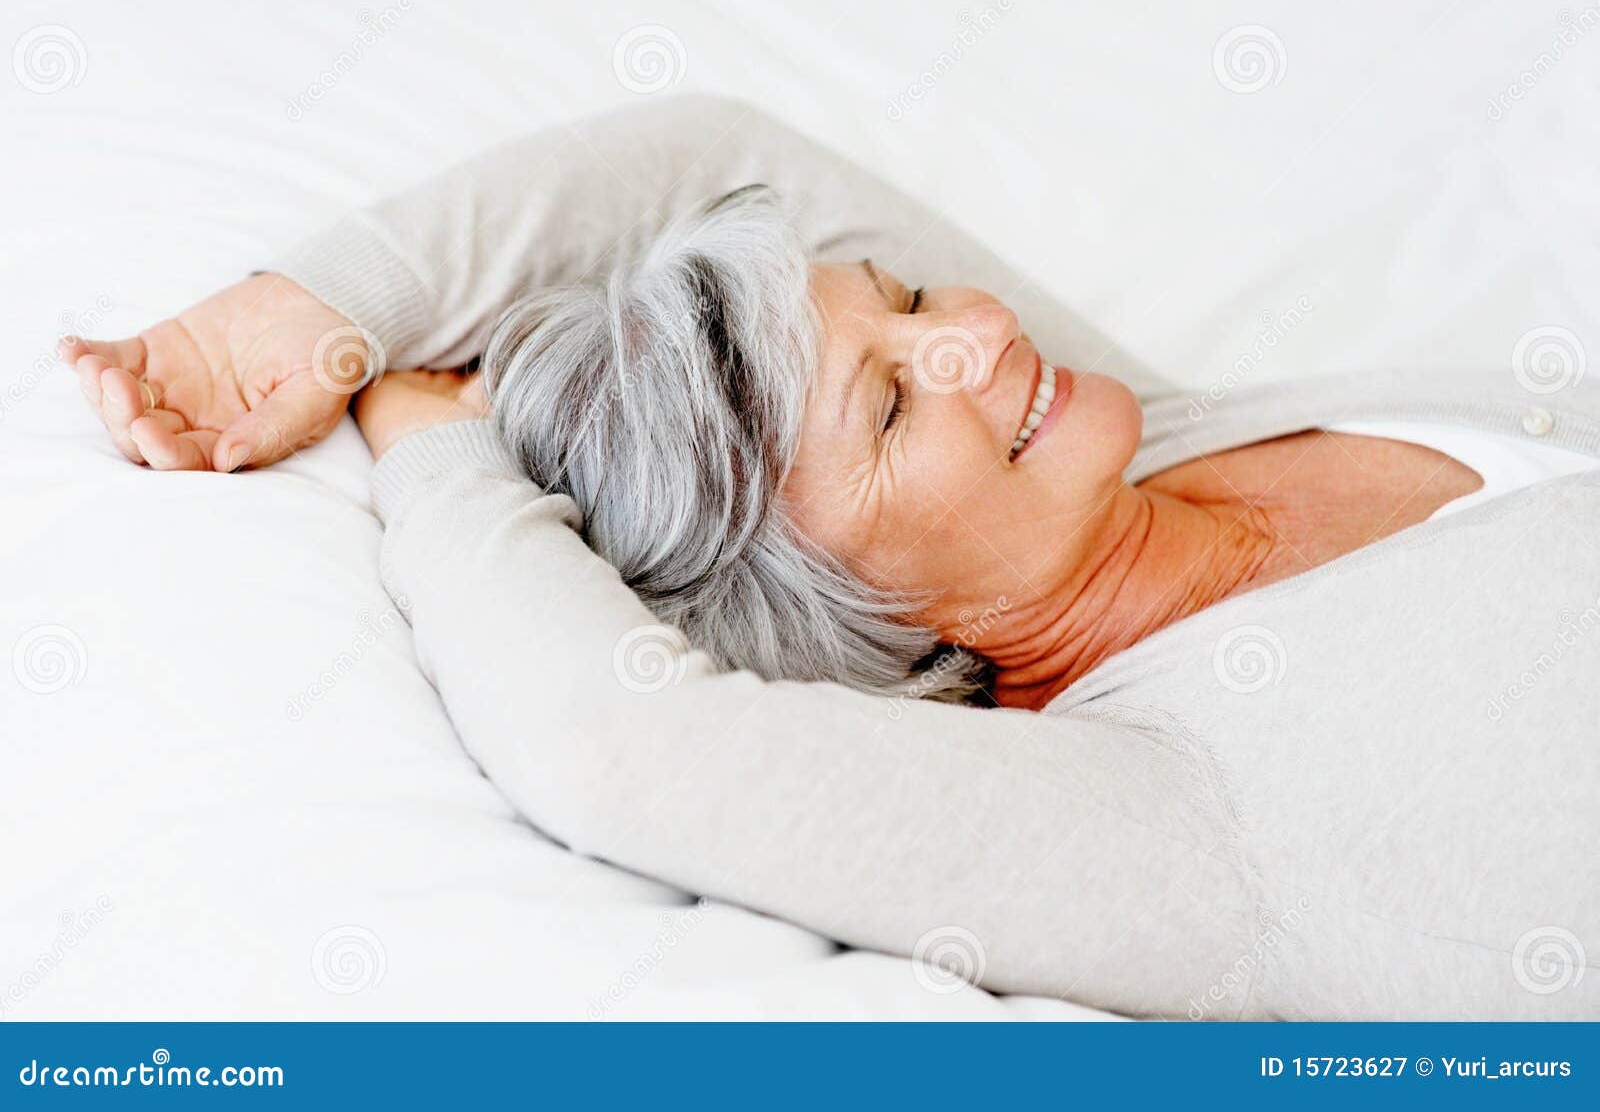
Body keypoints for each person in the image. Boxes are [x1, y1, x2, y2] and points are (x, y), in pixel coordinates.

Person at [58, 96, 1600, 1018]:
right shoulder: (1171, 809)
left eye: (912, 300)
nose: (982, 338)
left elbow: (720, 153)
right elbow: (615, 743)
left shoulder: (1158, 444)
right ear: (858, 623)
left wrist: (320, 310)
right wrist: (424, 434)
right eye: (886, 399)